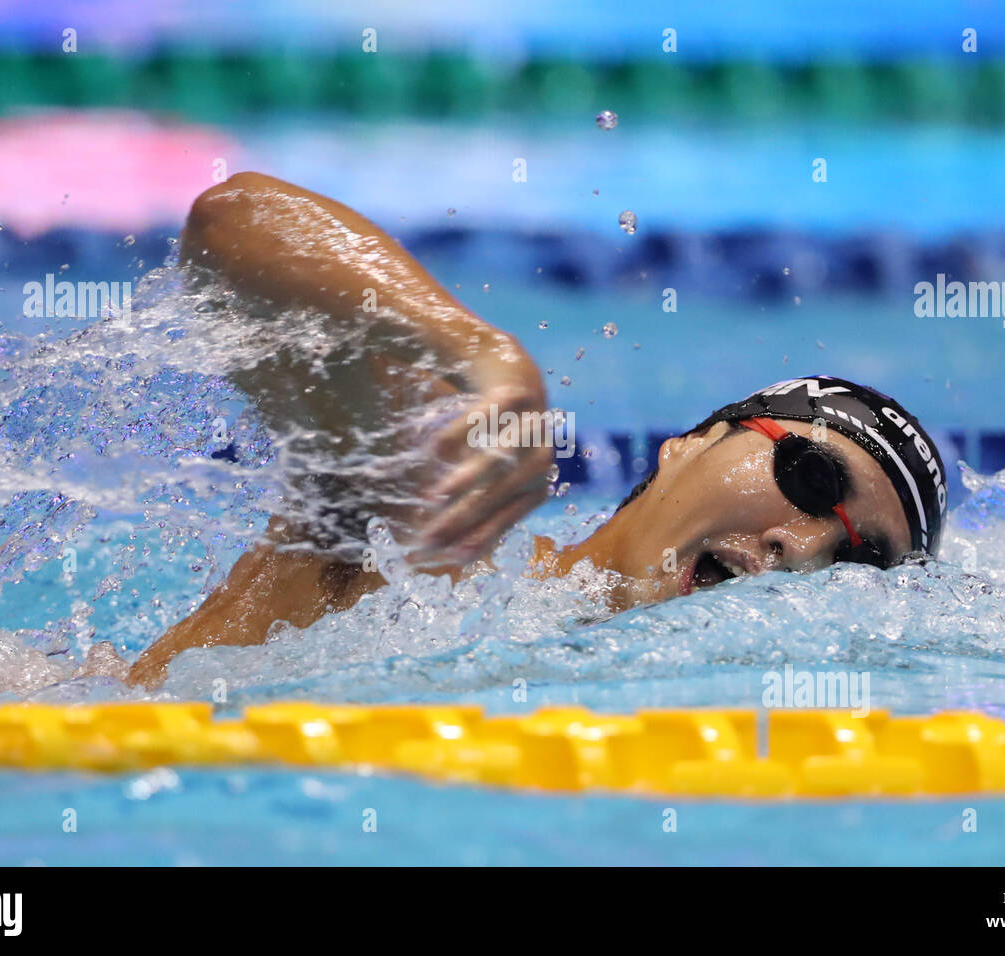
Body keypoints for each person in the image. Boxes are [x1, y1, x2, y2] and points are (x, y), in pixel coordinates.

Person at [118, 172, 946, 689]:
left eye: (859, 560)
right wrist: (485, 357)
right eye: (811, 478)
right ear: (688, 443)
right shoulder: (421, 552)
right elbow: (234, 220)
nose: (803, 550)